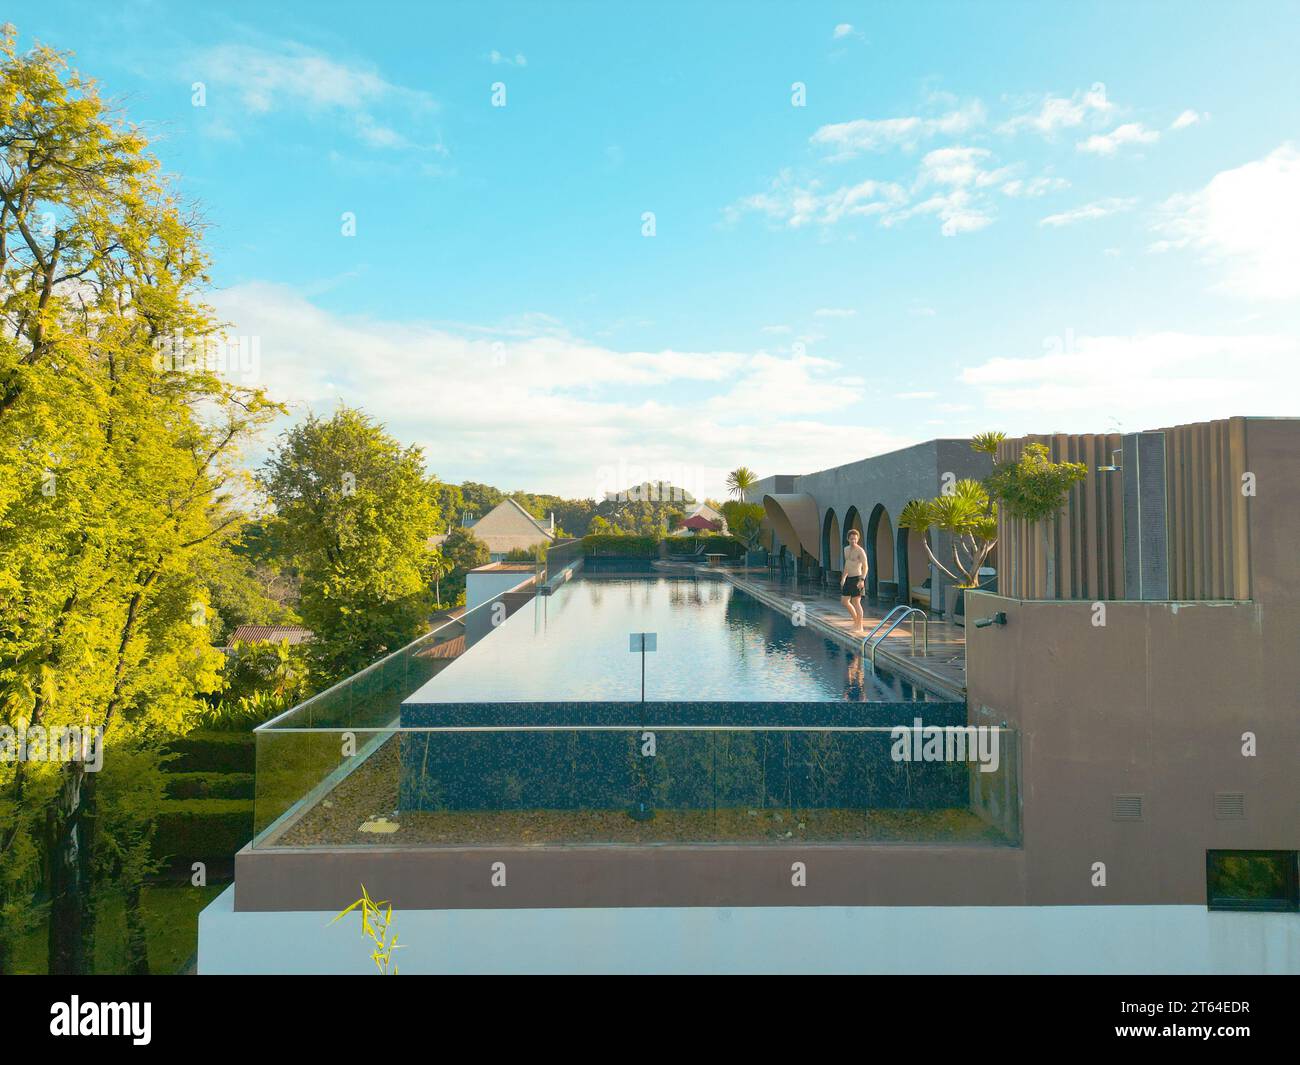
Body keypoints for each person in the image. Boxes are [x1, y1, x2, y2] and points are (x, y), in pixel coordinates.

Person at [840, 528, 868, 632]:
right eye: (851, 539)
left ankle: (859, 626)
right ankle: (856, 621)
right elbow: (847, 565)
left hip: (857, 578)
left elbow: (866, 567)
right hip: (848, 578)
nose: (853, 541)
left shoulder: (860, 551)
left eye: (855, 539)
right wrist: (843, 577)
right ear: (848, 539)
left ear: (858, 539)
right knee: (844, 601)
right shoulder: (846, 549)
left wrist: (862, 580)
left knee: (856, 602)